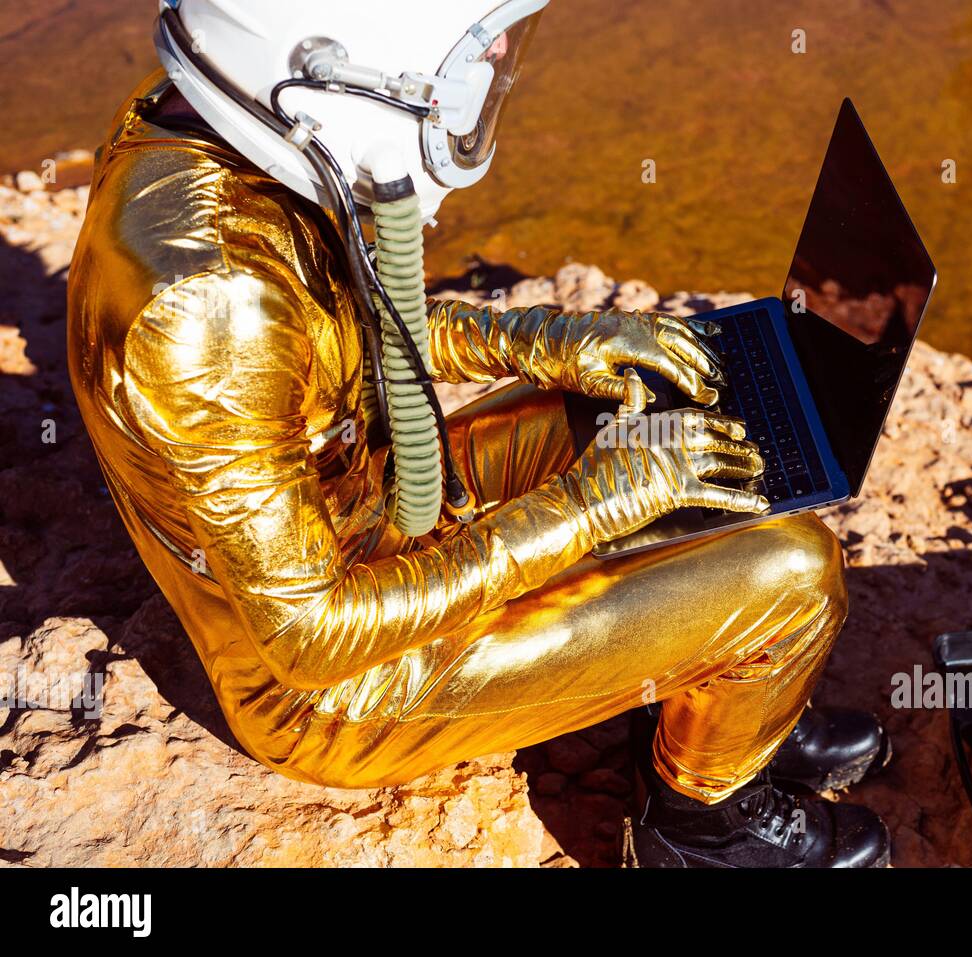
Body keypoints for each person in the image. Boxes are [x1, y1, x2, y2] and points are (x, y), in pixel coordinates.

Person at [67, 0, 893, 867]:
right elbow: (312, 636)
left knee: (642, 409)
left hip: (372, 512)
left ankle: (718, 696)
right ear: (328, 58)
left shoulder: (212, 123)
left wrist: (551, 342)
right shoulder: (204, 307)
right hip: (350, 682)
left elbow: (337, 329)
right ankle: (703, 822)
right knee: (797, 573)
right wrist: (589, 508)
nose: (495, 48)